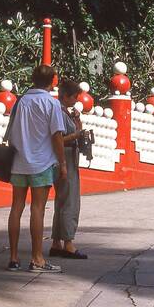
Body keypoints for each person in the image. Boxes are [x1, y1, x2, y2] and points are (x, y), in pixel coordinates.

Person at [6, 63, 67, 273]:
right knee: (37, 209)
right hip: (41, 162)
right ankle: (37, 258)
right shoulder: (51, 103)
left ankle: (13, 258)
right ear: (53, 81)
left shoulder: (21, 101)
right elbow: (57, 135)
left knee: (16, 207)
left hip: (18, 161)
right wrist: (63, 163)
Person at [48, 78, 90, 260]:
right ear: (65, 96)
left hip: (67, 158)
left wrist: (77, 123)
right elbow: (56, 139)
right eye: (74, 97)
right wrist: (76, 135)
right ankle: (68, 243)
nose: (76, 100)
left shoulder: (66, 112)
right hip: (64, 159)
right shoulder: (58, 111)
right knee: (70, 201)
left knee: (62, 200)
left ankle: (57, 241)